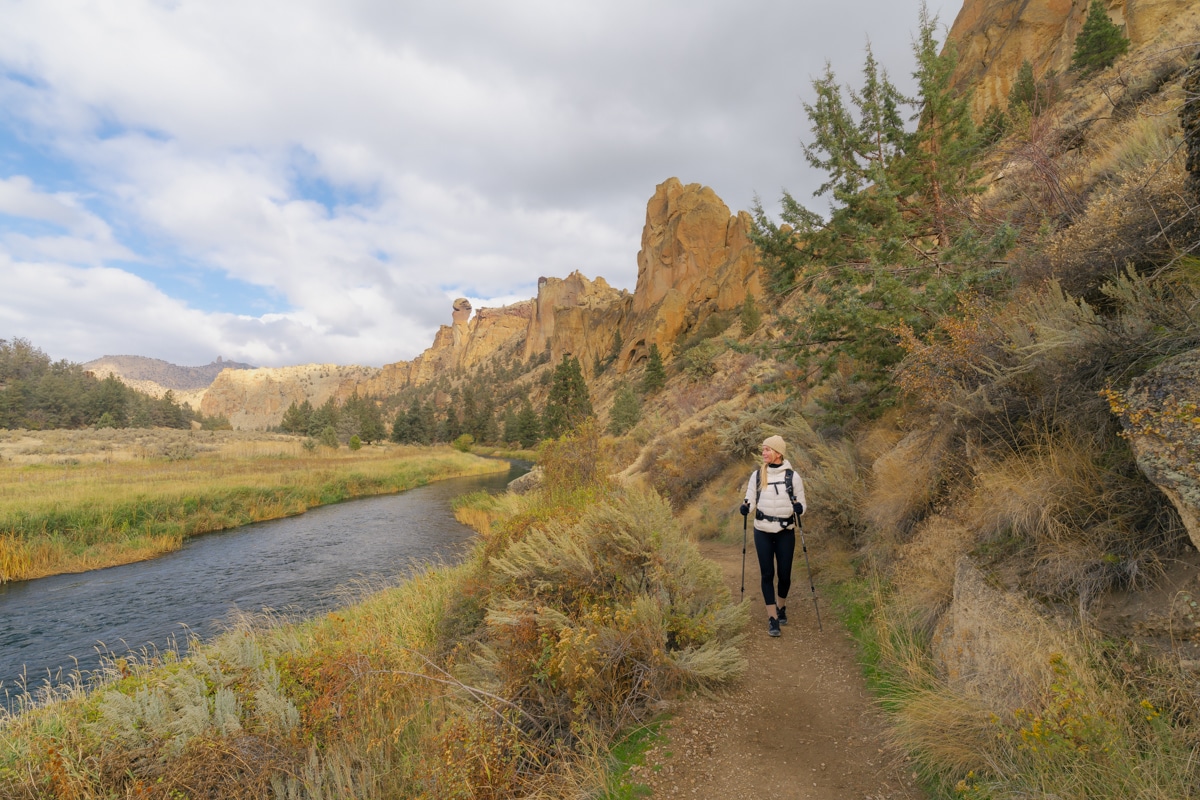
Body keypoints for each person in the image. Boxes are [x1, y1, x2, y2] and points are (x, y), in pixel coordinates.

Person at [740, 435, 806, 637]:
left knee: (784, 575)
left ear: (778, 453)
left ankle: (781, 606)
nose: (764, 453)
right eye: (763, 449)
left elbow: (803, 507)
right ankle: (772, 618)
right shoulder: (757, 476)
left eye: (767, 449)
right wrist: (745, 507)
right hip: (762, 531)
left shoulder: (792, 477)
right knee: (767, 574)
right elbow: (750, 499)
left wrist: (799, 508)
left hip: (786, 532)